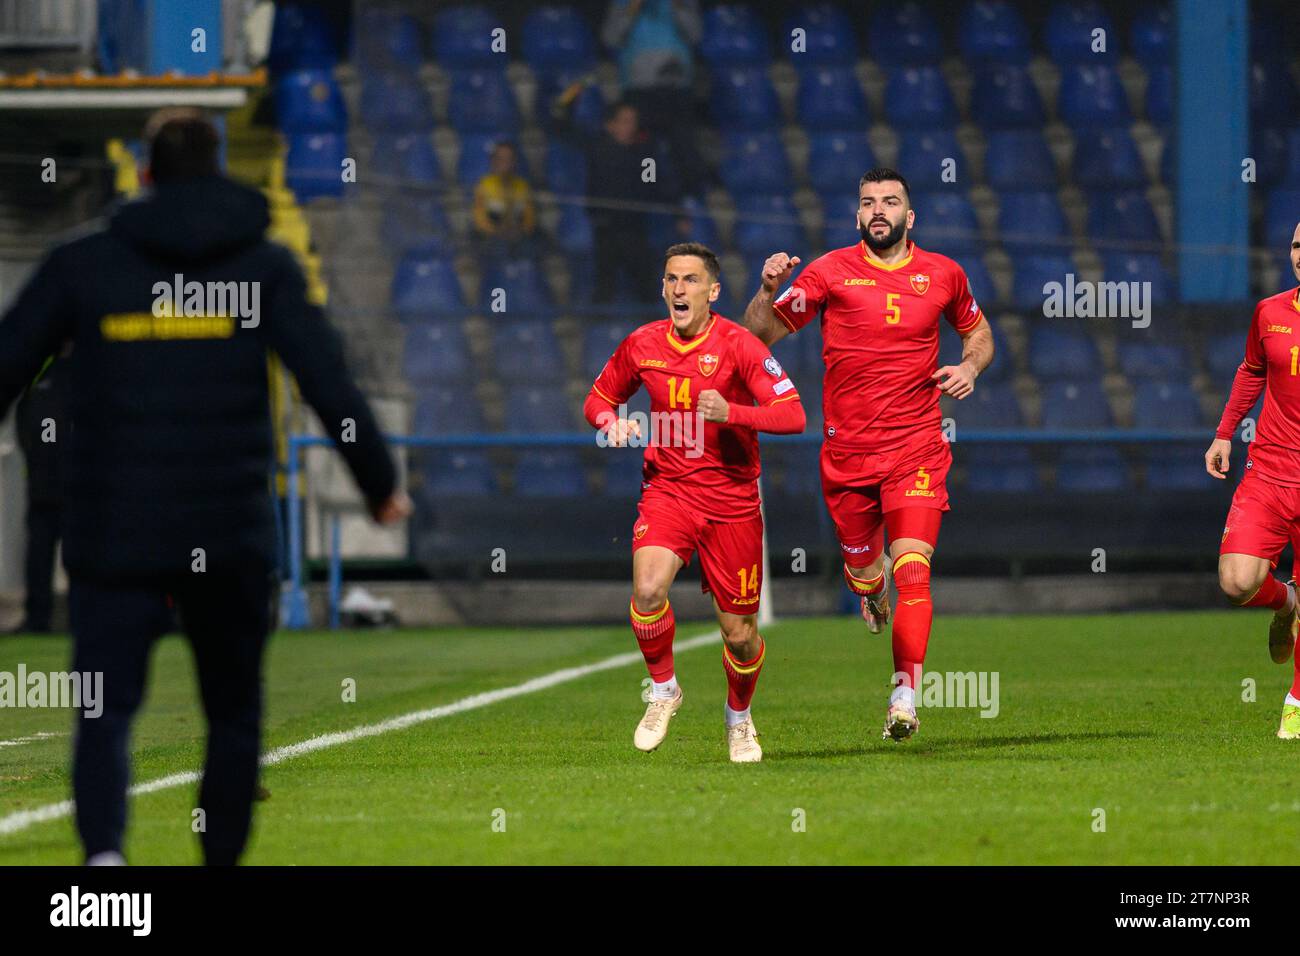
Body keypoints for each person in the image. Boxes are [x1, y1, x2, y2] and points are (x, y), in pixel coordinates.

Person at [0, 107, 411, 864]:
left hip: (114, 531)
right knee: (231, 712)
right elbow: (329, 382)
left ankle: (105, 866)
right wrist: (380, 481)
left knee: (104, 710)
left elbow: (5, 364)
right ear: (218, 169)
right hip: (226, 533)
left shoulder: (83, 265)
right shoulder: (262, 267)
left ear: (146, 173)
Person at [741, 167, 995, 742]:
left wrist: (970, 366)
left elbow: (980, 334)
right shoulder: (829, 272)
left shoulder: (944, 275)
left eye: (890, 201)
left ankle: (905, 696)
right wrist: (765, 290)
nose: (878, 209)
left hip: (917, 449)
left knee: (915, 573)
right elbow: (757, 336)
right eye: (867, 202)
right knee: (866, 572)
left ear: (911, 215)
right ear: (857, 216)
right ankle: (867, 589)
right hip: (848, 457)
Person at [583, 242, 806, 762]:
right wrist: (609, 422)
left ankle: (739, 718)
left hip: (731, 503)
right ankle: (663, 690)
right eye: (671, 280)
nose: (679, 289)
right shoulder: (642, 343)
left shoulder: (741, 346)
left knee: (740, 635)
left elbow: (794, 416)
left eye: (690, 280)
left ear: (713, 291)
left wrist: (733, 413)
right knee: (647, 589)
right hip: (669, 491)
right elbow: (598, 397)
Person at [1205, 220, 1300, 739]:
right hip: (1268, 469)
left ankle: (1296, 704)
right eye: (1296, 244)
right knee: (1237, 582)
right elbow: (1251, 370)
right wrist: (1224, 433)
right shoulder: (1270, 311)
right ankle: (1287, 603)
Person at [600, 0, 705, 189]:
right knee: (645, 149)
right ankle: (648, 191)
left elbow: (696, 35)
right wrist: (632, 9)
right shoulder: (623, 3)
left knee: (683, 146)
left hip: (677, 88)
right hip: (639, 90)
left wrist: (678, 6)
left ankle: (690, 198)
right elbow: (611, 39)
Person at [11, 352, 67, 634]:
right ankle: (37, 619)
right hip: (43, 485)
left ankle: (81, 617)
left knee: (83, 556)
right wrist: (35, 460)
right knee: (39, 554)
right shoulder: (39, 373)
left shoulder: (88, 366)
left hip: (78, 485)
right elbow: (23, 421)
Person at [471, 141, 536, 258]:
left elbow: (529, 219)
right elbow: (479, 219)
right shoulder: (484, 185)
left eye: (509, 159)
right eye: (501, 159)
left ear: (514, 162)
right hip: (492, 237)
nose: (505, 163)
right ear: (493, 161)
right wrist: (495, 231)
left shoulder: (522, 186)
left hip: (519, 236)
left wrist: (521, 231)